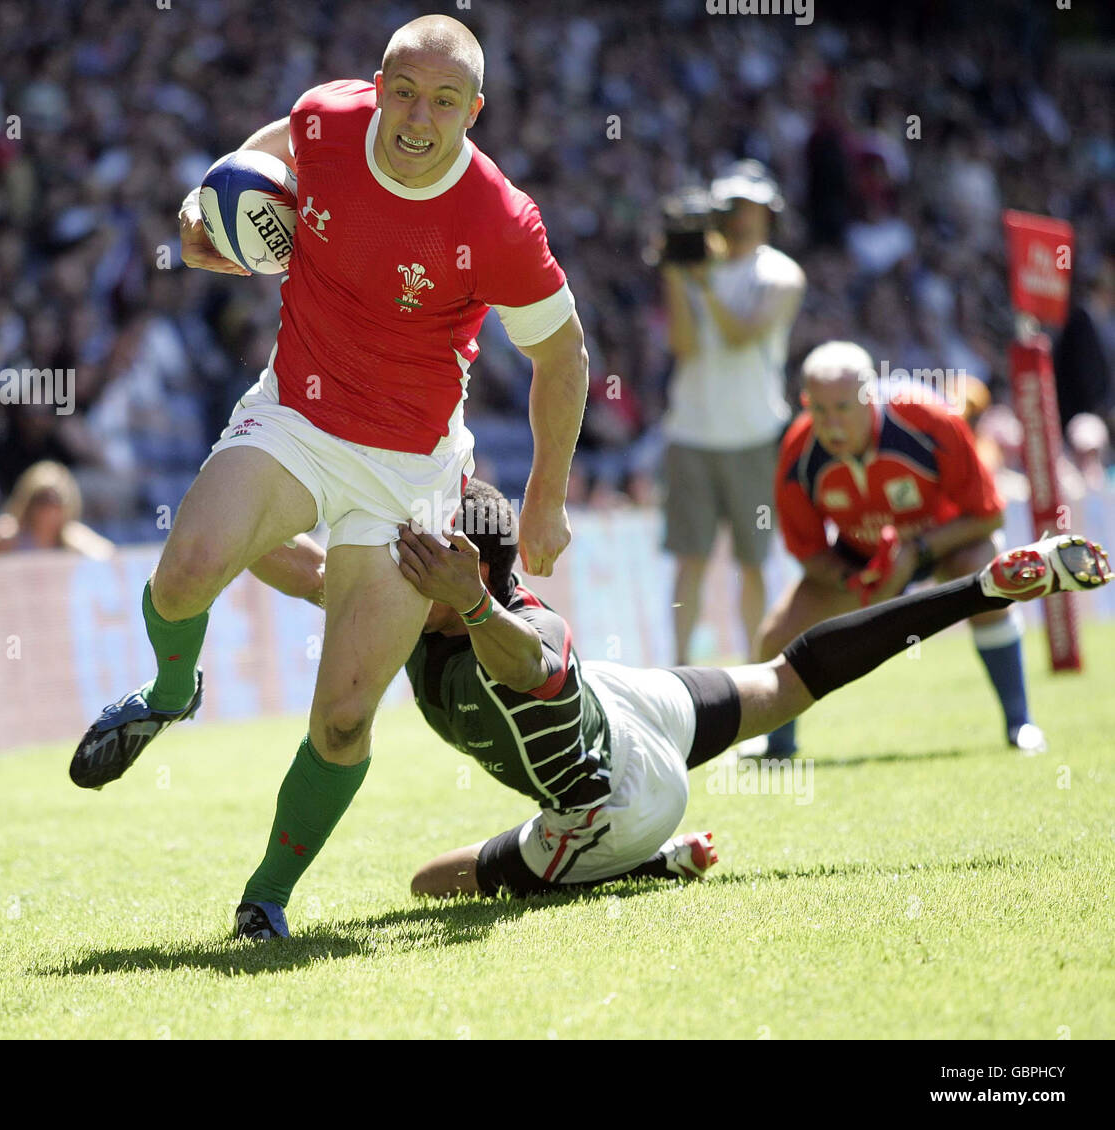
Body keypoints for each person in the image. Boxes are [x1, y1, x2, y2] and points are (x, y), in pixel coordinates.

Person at [67, 16, 589, 942]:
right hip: (296, 416)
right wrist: (203, 221)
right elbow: (240, 168)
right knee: (186, 570)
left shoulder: (501, 218)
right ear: (375, 84)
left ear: (475, 111)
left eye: (442, 102)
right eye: (402, 91)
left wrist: (546, 495)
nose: (417, 117)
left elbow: (566, 357)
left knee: (343, 722)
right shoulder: (323, 122)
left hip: (412, 471)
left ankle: (264, 900)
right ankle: (169, 693)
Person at [271, 480, 1110, 900]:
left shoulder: (522, 625)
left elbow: (531, 666)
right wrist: (222, 533)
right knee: (788, 681)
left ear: (471, 572)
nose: (393, 567)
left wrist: (470, 603)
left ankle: (655, 863)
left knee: (431, 885)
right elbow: (308, 569)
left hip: (617, 800)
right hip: (631, 703)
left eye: (415, 557)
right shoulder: (417, 600)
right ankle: (986, 590)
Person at [754, 340, 1048, 756]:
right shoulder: (798, 451)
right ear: (805, 403)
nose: (832, 424)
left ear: (870, 396)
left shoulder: (929, 418)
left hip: (945, 542)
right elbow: (806, 551)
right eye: (819, 410)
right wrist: (850, 578)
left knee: (986, 573)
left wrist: (916, 550)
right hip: (859, 558)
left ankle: (1021, 724)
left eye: (843, 407)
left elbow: (989, 516)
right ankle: (778, 745)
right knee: (776, 635)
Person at [658, 160, 805, 664]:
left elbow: (743, 335)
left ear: (768, 214)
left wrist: (701, 282)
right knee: (689, 560)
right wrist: (679, 277)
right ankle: (679, 669)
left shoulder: (780, 274)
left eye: (749, 208)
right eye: (730, 208)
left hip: (753, 436)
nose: (738, 218)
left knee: (754, 561)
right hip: (691, 432)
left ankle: (758, 666)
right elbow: (684, 345)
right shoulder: (697, 268)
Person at [0, 460, 114, 559]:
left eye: (56, 502)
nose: (49, 509)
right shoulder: (9, 537)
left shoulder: (72, 537)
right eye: (42, 500)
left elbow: (108, 555)